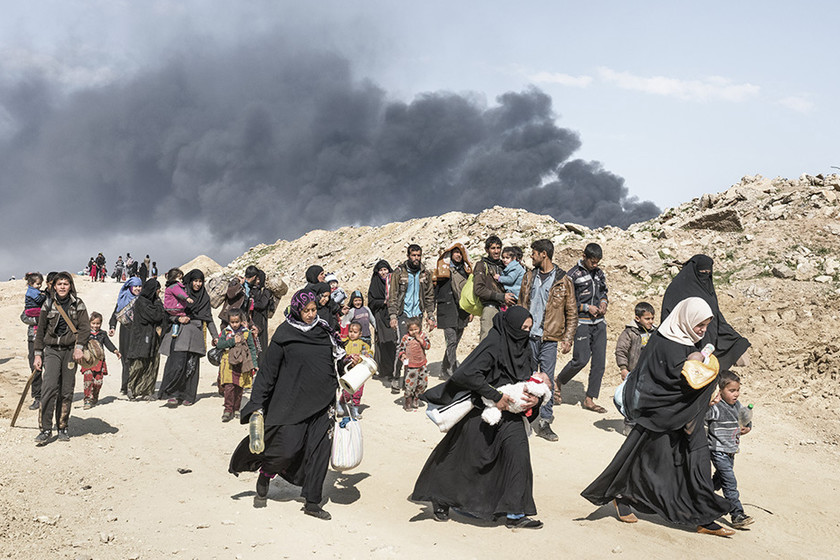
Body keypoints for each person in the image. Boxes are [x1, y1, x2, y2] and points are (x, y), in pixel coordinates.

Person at [581, 297, 736, 537]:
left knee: (696, 463)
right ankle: (622, 496)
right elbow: (668, 380)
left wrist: (708, 385)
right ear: (686, 320)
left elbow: (696, 375)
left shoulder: (690, 339)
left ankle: (704, 517)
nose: (703, 331)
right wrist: (699, 375)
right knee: (645, 461)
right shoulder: (664, 342)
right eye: (699, 326)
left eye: (706, 326)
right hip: (662, 413)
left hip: (685, 416)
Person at [229, 289, 360, 520]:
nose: (311, 314)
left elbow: (338, 359)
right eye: (306, 310)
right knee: (287, 448)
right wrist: (257, 403)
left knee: (319, 453)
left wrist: (350, 363)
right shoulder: (285, 333)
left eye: (314, 310)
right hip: (292, 403)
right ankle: (267, 472)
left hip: (323, 402)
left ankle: (312, 502)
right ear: (297, 309)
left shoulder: (324, 330)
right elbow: (268, 372)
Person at [413, 306, 544, 529]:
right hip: (481, 410)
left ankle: (515, 513)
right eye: (522, 328)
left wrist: (536, 401)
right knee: (463, 458)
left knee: (518, 455)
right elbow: (466, 374)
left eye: (529, 329)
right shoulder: (493, 344)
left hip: (511, 414)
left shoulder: (526, 349)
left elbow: (532, 380)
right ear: (511, 327)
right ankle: (441, 499)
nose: (526, 333)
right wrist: (496, 395)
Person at [518, 239, 577, 442]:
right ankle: (522, 418)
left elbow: (571, 311)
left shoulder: (563, 280)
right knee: (526, 377)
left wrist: (568, 338)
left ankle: (544, 421)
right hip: (529, 337)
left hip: (550, 339)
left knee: (547, 381)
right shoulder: (528, 277)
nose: (531, 257)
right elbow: (520, 305)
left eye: (534, 253)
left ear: (544, 254)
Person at [661, 254, 751, 371]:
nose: (705, 274)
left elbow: (716, 314)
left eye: (708, 272)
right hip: (686, 339)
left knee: (738, 345)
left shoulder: (706, 287)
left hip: (708, 335)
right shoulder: (678, 288)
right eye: (702, 271)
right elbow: (669, 317)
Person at [32, 272, 91, 445]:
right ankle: (45, 429)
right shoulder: (48, 304)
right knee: (49, 388)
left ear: (70, 286)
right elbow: (40, 330)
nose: (63, 287)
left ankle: (63, 427)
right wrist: (37, 354)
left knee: (66, 390)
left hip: (70, 352)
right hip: (51, 351)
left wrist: (79, 348)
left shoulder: (78, 304)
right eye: (59, 284)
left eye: (66, 283)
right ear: (54, 286)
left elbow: (85, 328)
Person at [556, 243, 610, 413]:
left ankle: (590, 399)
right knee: (581, 359)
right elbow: (567, 302)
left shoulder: (599, 273)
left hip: (599, 323)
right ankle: (559, 381)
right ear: (584, 256)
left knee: (600, 362)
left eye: (597, 262)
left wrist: (603, 302)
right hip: (582, 323)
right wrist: (587, 308)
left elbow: (603, 291)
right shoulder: (572, 275)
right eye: (592, 262)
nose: (595, 265)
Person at [158, 269, 219, 407]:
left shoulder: (204, 298)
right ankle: (173, 394)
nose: (197, 284)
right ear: (190, 281)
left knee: (192, 366)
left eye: (200, 281)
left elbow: (208, 319)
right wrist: (178, 319)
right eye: (195, 281)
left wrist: (215, 336)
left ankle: (188, 395)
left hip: (196, 335)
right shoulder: (181, 293)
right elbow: (168, 313)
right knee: (177, 363)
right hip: (180, 334)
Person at [706, 370, 754, 529]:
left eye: (738, 390)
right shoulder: (717, 408)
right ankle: (737, 514)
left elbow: (744, 419)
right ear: (720, 391)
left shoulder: (738, 406)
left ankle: (703, 495)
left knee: (720, 479)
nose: (736, 394)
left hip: (730, 450)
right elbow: (703, 415)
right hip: (718, 450)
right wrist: (710, 402)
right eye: (732, 391)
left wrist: (747, 427)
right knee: (730, 482)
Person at [387, 244, 435, 394]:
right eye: (413, 255)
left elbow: (429, 296)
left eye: (418, 255)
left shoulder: (425, 273)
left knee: (416, 346)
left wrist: (430, 315)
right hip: (403, 314)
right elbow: (393, 295)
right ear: (408, 256)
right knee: (401, 346)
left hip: (418, 315)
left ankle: (410, 378)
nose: (416, 258)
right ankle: (396, 377)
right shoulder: (399, 273)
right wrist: (393, 315)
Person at [614, 301, 656, 435]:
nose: (650, 321)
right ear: (637, 318)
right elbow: (621, 350)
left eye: (652, 318)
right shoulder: (630, 333)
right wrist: (623, 368)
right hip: (634, 372)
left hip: (650, 373)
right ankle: (629, 424)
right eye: (647, 318)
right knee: (632, 399)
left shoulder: (655, 333)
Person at [434, 244, 471, 379]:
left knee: (455, 341)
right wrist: (431, 311)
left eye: (460, 253)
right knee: (451, 340)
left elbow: (469, 293)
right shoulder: (442, 270)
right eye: (455, 252)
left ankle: (444, 369)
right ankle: (453, 370)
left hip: (462, 311)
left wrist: (471, 310)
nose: (458, 255)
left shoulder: (465, 271)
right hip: (447, 309)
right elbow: (434, 290)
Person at [125, 278, 166, 400]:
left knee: (152, 364)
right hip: (141, 338)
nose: (159, 293)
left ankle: (148, 391)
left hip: (152, 338)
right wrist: (159, 303)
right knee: (139, 363)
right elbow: (156, 315)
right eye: (157, 290)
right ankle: (132, 388)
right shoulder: (142, 302)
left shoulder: (151, 302)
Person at [215, 308, 258, 422]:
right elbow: (219, 345)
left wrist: (254, 363)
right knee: (229, 387)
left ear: (240, 321)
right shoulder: (226, 332)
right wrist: (233, 341)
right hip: (228, 362)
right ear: (229, 322)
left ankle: (237, 408)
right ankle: (228, 410)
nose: (234, 324)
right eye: (232, 322)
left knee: (239, 387)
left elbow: (252, 348)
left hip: (242, 363)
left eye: (237, 322)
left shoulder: (246, 332)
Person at [21, 272, 55, 410]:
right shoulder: (39, 296)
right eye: (51, 283)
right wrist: (40, 321)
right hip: (34, 337)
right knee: (35, 368)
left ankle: (51, 397)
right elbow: (24, 316)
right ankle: (37, 397)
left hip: (52, 338)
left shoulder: (60, 299)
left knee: (51, 369)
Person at [472, 236, 516, 341]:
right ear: (487, 250)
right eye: (493, 248)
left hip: (506, 310)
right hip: (490, 309)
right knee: (486, 343)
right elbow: (478, 289)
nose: (496, 251)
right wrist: (500, 296)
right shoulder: (481, 265)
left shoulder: (505, 265)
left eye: (498, 248)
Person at [109, 277, 143, 396]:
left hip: (138, 333)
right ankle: (125, 386)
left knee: (137, 358)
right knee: (126, 358)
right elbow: (115, 314)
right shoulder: (123, 299)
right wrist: (112, 327)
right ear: (130, 287)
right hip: (125, 332)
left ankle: (135, 385)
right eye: (136, 286)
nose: (138, 289)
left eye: (139, 286)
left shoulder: (142, 300)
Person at [80, 312, 120, 409]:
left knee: (98, 382)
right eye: (93, 323)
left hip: (99, 361)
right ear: (90, 323)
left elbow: (108, 344)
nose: (95, 326)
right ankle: (87, 399)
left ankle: (95, 396)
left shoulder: (102, 334)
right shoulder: (85, 334)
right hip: (88, 361)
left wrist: (115, 351)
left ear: (101, 324)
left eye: (98, 324)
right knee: (88, 379)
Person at [368, 260, 397, 382]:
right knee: (383, 344)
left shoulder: (393, 281)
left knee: (394, 343)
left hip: (393, 315)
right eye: (381, 270)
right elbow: (371, 302)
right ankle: (385, 371)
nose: (383, 272)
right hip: (380, 316)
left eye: (385, 269)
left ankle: (394, 371)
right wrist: (383, 302)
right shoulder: (375, 284)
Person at [397, 317, 430, 411]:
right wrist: (402, 355)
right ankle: (408, 400)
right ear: (408, 330)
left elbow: (428, 346)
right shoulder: (405, 338)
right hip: (411, 366)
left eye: (416, 329)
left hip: (422, 364)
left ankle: (416, 398)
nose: (414, 332)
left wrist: (420, 340)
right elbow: (401, 349)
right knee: (410, 384)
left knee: (423, 383)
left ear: (420, 328)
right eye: (411, 330)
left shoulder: (423, 336)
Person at [340, 321, 372, 418]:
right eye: (350, 331)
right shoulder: (345, 343)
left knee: (358, 391)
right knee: (347, 390)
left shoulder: (362, 344)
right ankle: (341, 403)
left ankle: (355, 410)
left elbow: (368, 353)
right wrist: (348, 358)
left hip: (359, 372)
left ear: (360, 334)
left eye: (355, 332)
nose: (352, 334)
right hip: (348, 371)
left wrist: (366, 356)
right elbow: (341, 355)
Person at [243, 265, 273, 355]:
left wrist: (251, 304)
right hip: (251, 319)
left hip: (261, 320)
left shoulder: (266, 291)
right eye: (256, 279)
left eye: (259, 279)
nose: (257, 281)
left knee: (260, 344)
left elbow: (262, 304)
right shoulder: (251, 289)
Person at [163, 268, 193, 338]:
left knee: (177, 320)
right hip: (175, 308)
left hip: (169, 308)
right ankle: (176, 331)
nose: (181, 281)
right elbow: (180, 293)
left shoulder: (169, 287)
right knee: (183, 316)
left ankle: (175, 332)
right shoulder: (175, 286)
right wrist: (187, 298)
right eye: (180, 279)